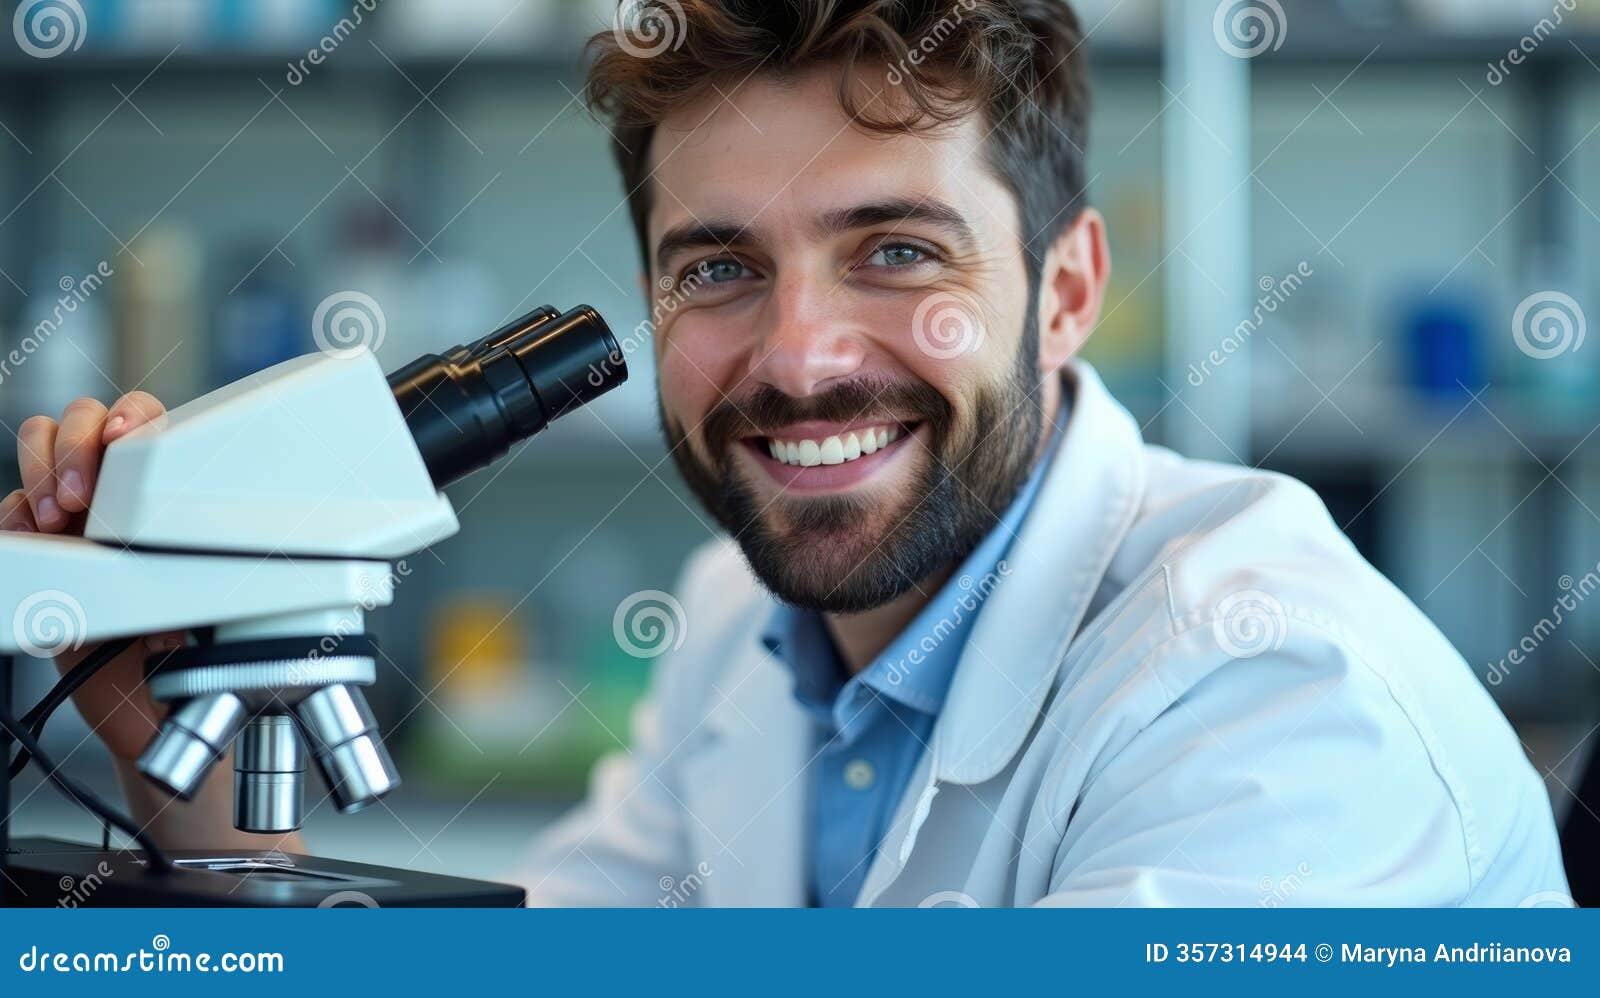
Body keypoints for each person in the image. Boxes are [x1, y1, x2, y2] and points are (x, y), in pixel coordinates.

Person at [2, 0, 1569, 906]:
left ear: (1067, 292)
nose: (800, 357)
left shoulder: (1276, 701)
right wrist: (185, 771)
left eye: (895, 251)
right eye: (718, 267)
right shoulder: (731, 629)